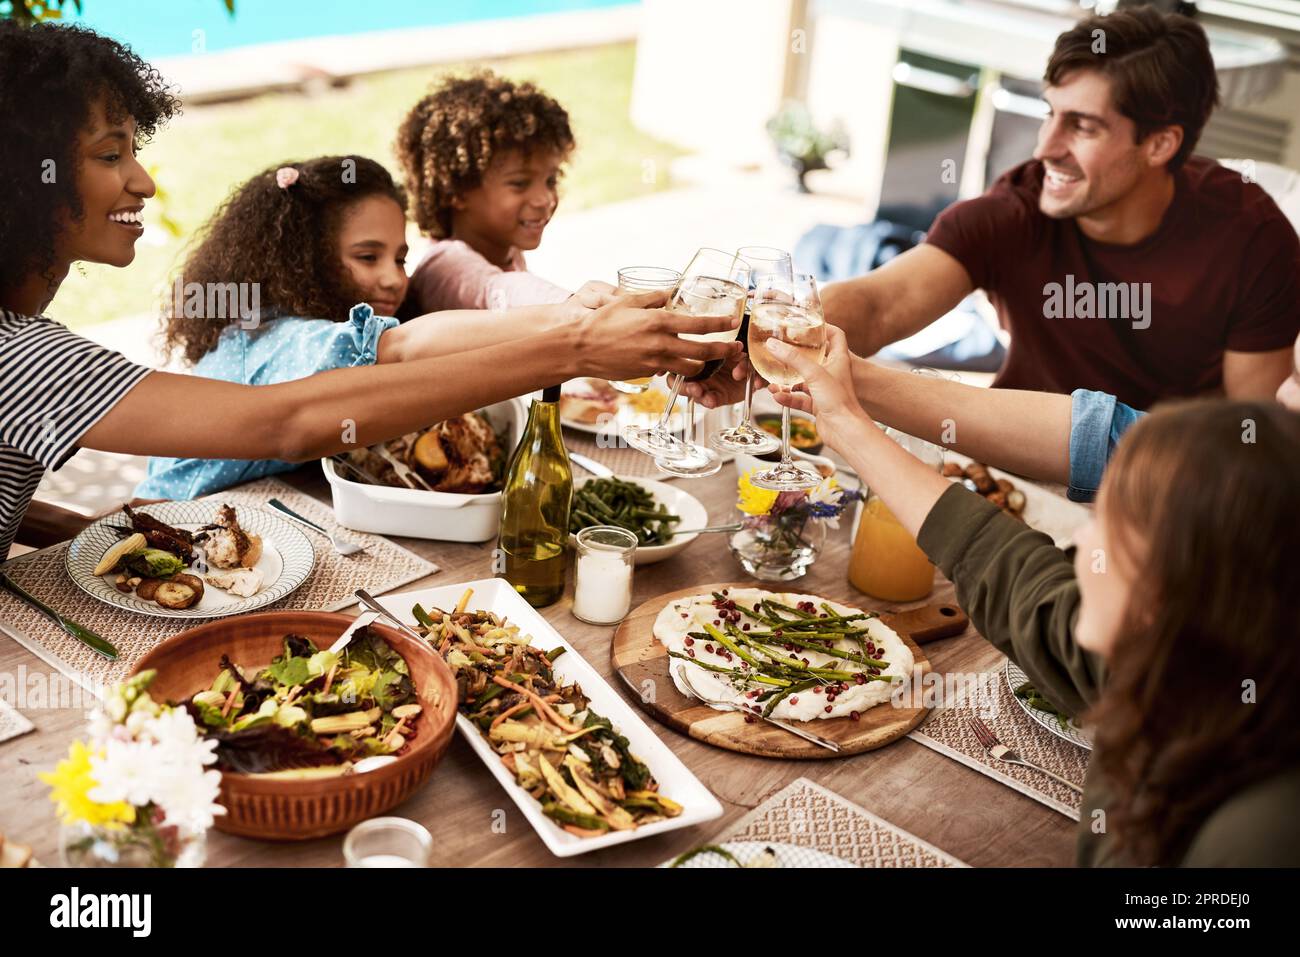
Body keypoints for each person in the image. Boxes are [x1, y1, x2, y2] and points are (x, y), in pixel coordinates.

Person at [0, 22, 740, 557]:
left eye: (135, 149)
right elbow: (286, 422)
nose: (143, 180)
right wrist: (572, 343)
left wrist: (73, 531)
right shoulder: (22, 356)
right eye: (109, 154)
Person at [763, 327, 1300, 865]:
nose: (1081, 545)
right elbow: (1028, 576)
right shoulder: (1200, 677)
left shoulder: (1253, 835)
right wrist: (845, 415)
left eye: (1112, 534)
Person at [818, 7, 1300, 409]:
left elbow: (1248, 426)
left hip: (1164, 488)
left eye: (1083, 126)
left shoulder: (1252, 236)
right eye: (1051, 113)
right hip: (1015, 469)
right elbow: (880, 305)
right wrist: (771, 334)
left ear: (1159, 145)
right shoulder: (1016, 211)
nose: (1046, 147)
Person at [138, 156, 613, 499]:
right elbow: (405, 346)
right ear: (305, 261)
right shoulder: (283, 339)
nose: (394, 277)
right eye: (368, 257)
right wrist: (566, 318)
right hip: (176, 523)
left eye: (400, 258)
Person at [394, 71, 574, 315]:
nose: (545, 199)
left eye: (551, 180)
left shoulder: (506, 248)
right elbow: (499, 292)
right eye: (520, 183)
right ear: (455, 191)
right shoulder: (446, 266)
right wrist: (579, 305)